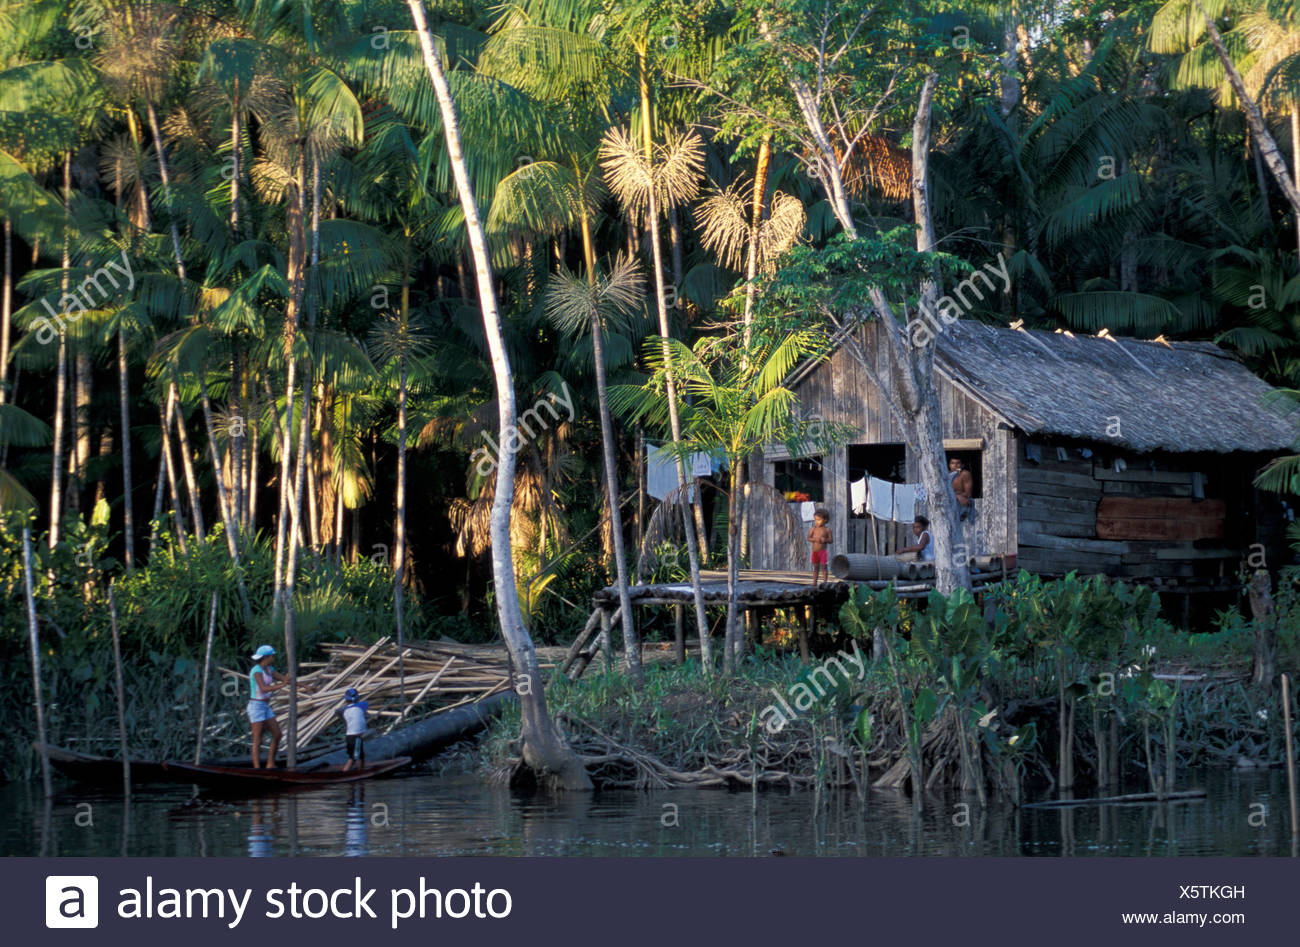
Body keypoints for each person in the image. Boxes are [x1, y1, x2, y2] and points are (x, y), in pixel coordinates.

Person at [247, 644, 290, 769]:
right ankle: (257, 768)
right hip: (256, 706)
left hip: (265, 706)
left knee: (277, 734)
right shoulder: (257, 671)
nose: (273, 658)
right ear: (266, 657)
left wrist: (306, 686)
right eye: (272, 656)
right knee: (258, 740)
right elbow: (264, 688)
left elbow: (286, 679)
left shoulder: (269, 669)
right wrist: (282, 685)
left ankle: (270, 764)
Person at [334, 687, 369, 772]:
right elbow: (365, 706)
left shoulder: (345, 710)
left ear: (346, 700)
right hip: (355, 737)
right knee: (353, 758)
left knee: (360, 756)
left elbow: (337, 711)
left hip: (351, 736)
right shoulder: (361, 706)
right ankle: (345, 773)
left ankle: (361, 771)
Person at [808, 508, 832, 586]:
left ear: (825, 520)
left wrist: (824, 540)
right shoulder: (813, 529)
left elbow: (831, 540)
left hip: (823, 552)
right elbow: (808, 538)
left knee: (824, 567)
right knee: (815, 567)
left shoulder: (827, 530)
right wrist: (815, 539)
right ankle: (814, 582)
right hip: (815, 552)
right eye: (815, 520)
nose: (816, 522)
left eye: (819, 520)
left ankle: (825, 582)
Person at [949, 457, 975, 521]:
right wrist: (957, 496)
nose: (955, 465)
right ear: (949, 465)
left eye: (958, 463)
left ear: (962, 465)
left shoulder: (965, 474)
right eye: (952, 463)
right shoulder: (945, 475)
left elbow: (968, 494)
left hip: (963, 504)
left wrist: (955, 496)